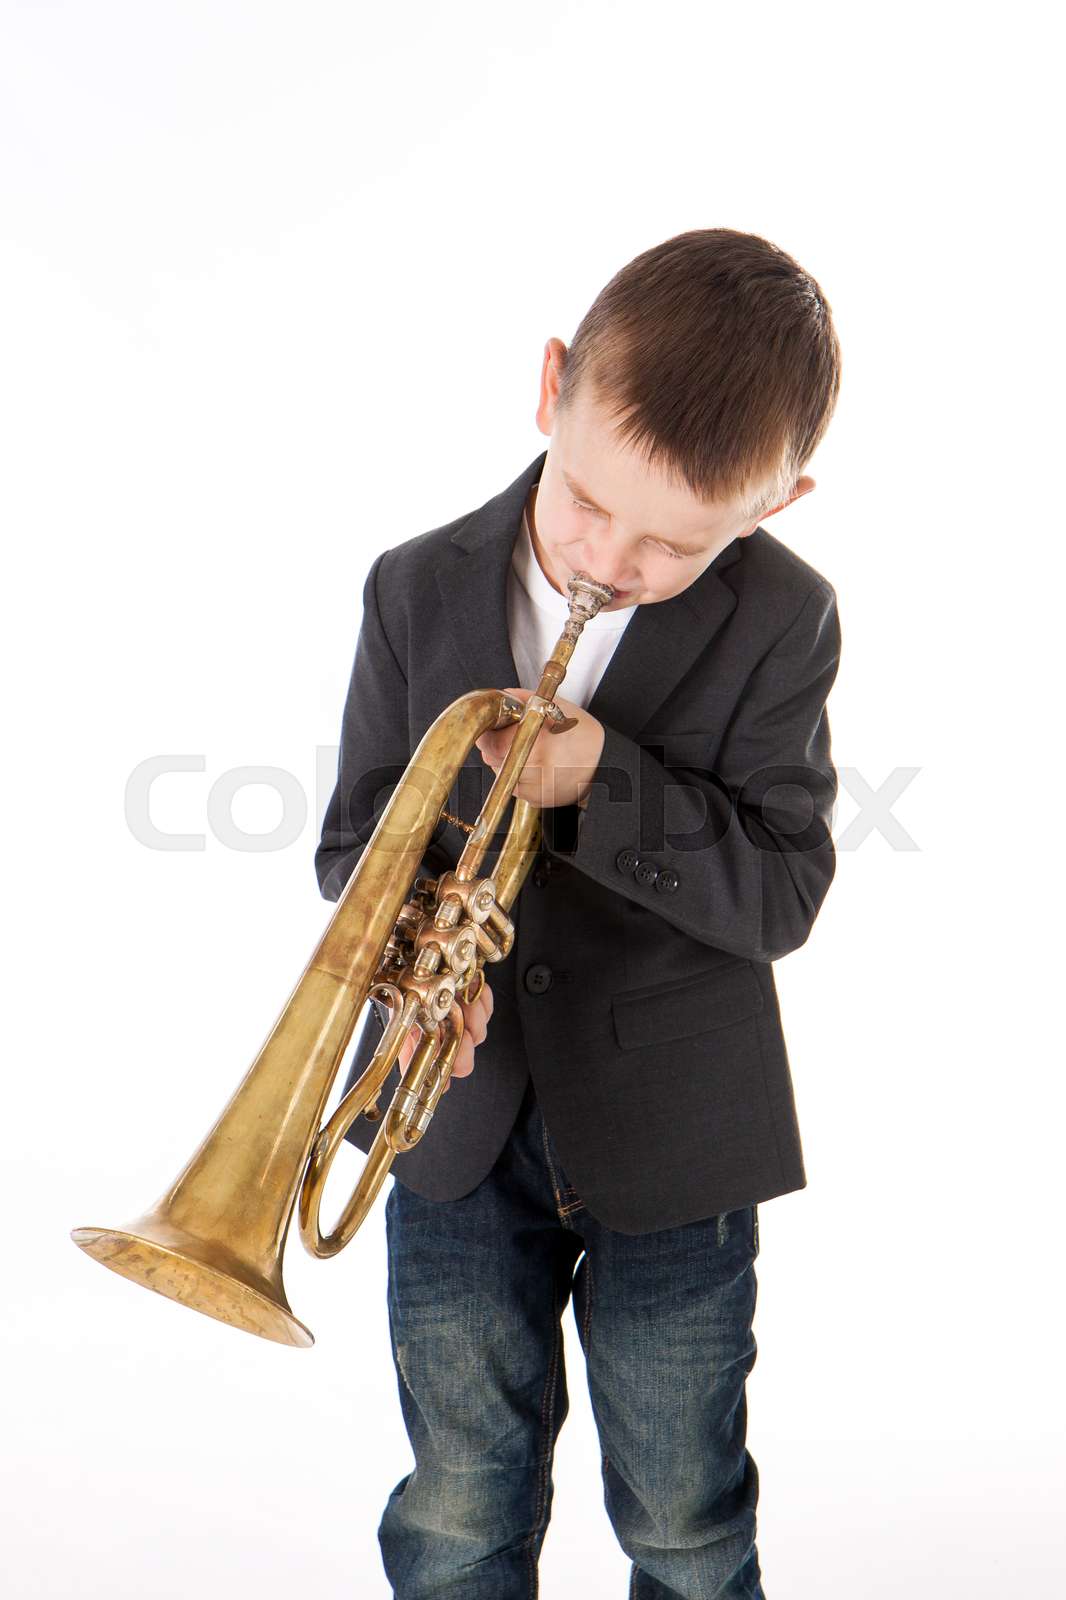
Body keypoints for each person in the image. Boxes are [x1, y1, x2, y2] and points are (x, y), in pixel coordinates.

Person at [315, 226, 843, 1599]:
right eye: (589, 505)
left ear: (775, 503)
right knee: (456, 1504)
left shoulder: (784, 620)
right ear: (550, 387)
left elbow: (780, 889)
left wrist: (603, 781)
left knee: (678, 1514)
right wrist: (417, 944)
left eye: (678, 545)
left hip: (674, 1144)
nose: (614, 560)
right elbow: (349, 847)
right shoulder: (414, 584)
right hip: (447, 1122)